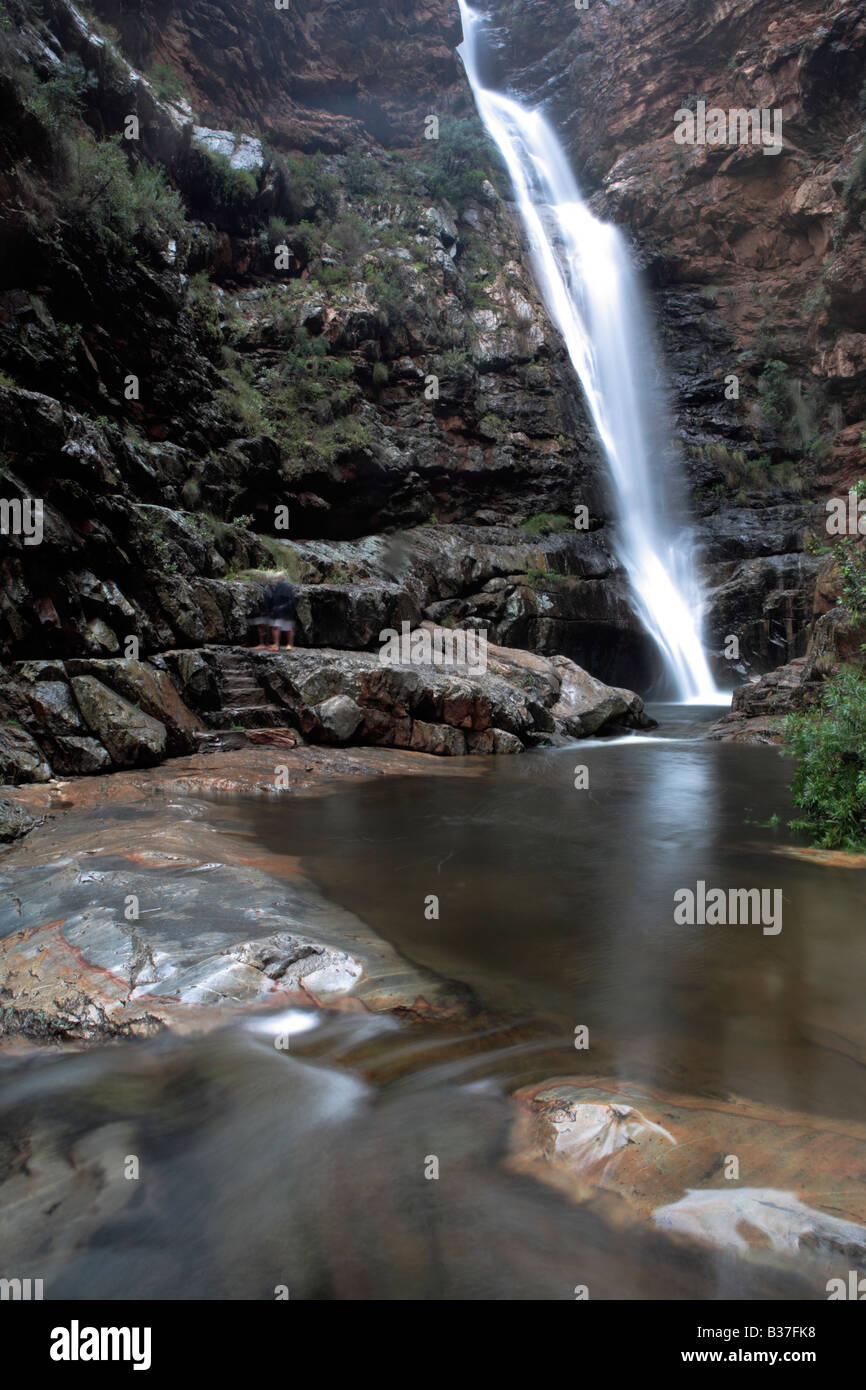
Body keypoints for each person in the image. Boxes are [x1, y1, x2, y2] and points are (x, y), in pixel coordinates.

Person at [249, 575, 297, 651]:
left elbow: (292, 600)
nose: (275, 579)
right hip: (278, 611)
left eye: (277, 578)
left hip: (286, 612)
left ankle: (289, 645)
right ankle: (277, 645)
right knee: (276, 627)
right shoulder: (274, 587)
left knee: (287, 629)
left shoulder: (286, 587)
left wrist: (283, 607)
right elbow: (273, 598)